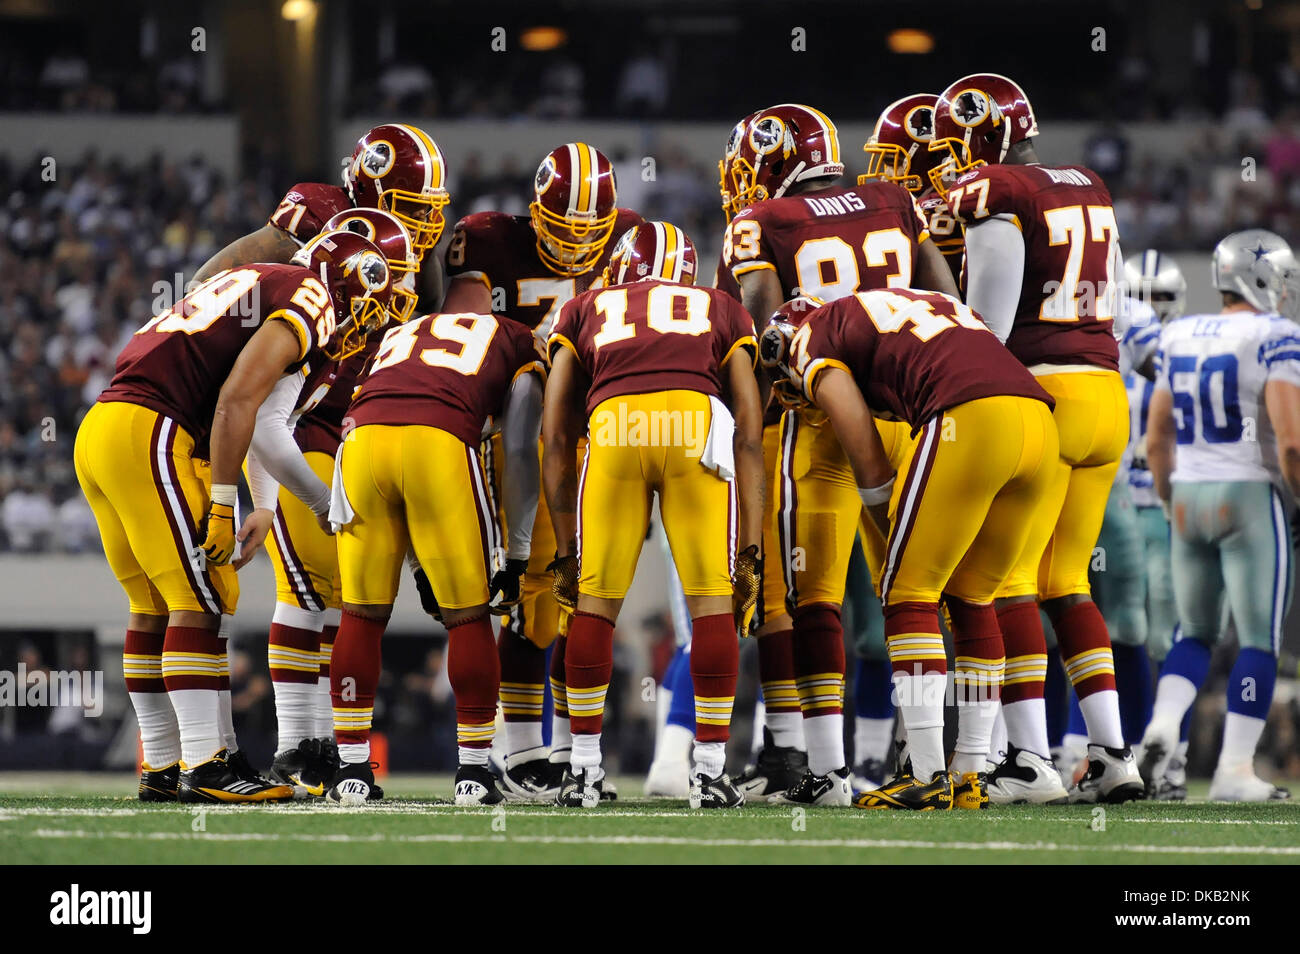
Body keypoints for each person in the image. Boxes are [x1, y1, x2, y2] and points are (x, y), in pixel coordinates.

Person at [74, 229, 393, 802]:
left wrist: (266, 507)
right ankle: (208, 763)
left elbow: (262, 421)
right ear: (345, 289)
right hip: (155, 429)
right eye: (367, 308)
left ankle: (164, 768)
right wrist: (225, 501)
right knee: (203, 598)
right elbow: (237, 403)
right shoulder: (310, 296)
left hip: (104, 428)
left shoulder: (251, 283)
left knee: (154, 604)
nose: (364, 326)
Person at [720, 102, 958, 806]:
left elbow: (768, 334)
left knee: (808, 595)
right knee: (923, 592)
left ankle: (824, 769)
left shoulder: (765, 222)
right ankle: (955, 759)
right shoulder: (894, 199)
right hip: (906, 414)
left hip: (821, 414)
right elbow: (948, 305)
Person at [762, 287, 1058, 809]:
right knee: (972, 597)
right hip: (1039, 424)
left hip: (971, 417)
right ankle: (970, 772)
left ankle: (925, 773)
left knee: (907, 593)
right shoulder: (908, 306)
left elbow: (865, 452)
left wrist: (895, 534)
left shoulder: (810, 338)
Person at [932, 72, 1143, 803]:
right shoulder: (1085, 180)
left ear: (979, 131)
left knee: (1007, 582)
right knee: (1067, 582)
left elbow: (988, 324)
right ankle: (1114, 753)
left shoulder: (997, 189)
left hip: (1044, 391)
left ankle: (1028, 759)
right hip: (1104, 394)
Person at [441, 143, 644, 801]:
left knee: (565, 598)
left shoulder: (634, 239)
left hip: (593, 441)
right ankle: (513, 749)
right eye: (564, 228)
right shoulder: (487, 241)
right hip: (510, 437)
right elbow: (459, 338)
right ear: (535, 214)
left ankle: (544, 751)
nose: (580, 244)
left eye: (594, 232)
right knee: (520, 590)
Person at [543, 222, 764, 808]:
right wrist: (752, 547)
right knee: (714, 602)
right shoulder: (720, 306)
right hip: (697, 421)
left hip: (614, 423)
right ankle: (711, 773)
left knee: (594, 600)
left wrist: (567, 550)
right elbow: (749, 429)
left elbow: (553, 433)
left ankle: (585, 770)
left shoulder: (586, 304)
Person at [325, 304, 546, 806]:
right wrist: (517, 554)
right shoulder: (520, 339)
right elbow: (517, 448)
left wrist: (418, 563)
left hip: (359, 442)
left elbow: (392, 411)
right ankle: (472, 773)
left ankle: (351, 770)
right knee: (469, 617)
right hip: (439, 441)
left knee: (360, 615)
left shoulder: (403, 331)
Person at [1138, 229, 1300, 802]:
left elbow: (1158, 438)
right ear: (1260, 280)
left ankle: (1161, 727)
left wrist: (1166, 498)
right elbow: (1290, 442)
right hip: (1248, 494)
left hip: (1186, 494)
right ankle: (1233, 771)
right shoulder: (1276, 335)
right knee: (1257, 640)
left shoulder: (1177, 334)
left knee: (1195, 633)